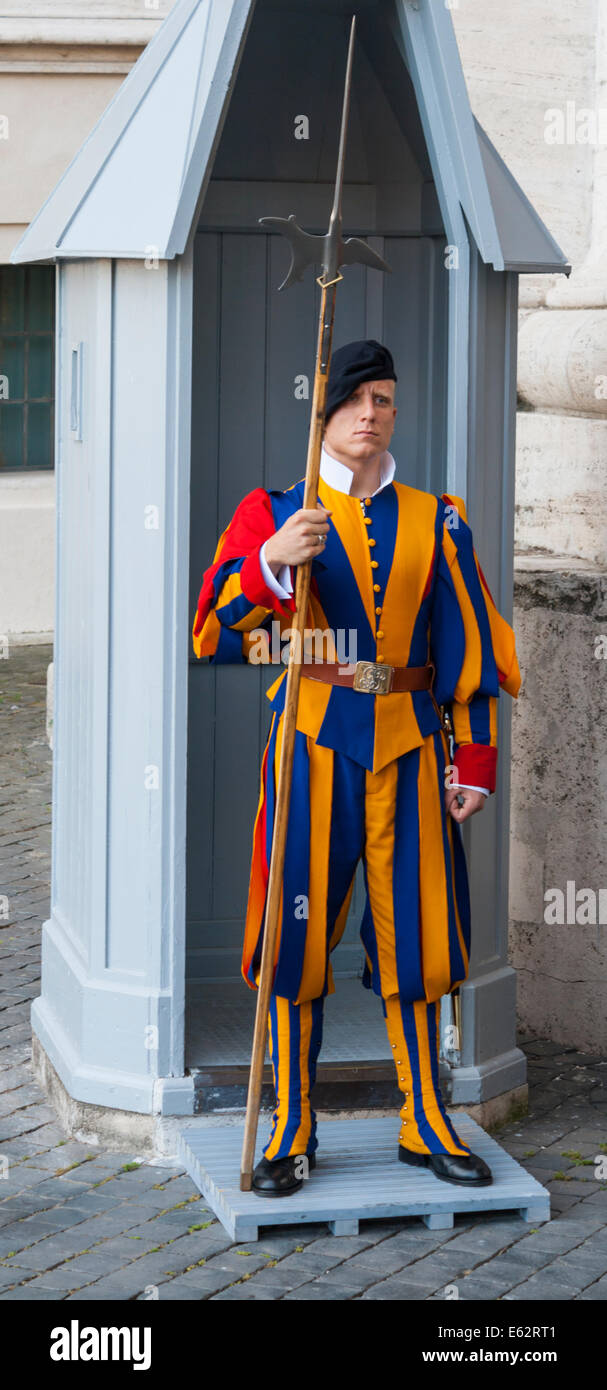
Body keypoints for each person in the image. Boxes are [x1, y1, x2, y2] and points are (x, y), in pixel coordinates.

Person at [192, 339, 521, 1198]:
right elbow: (217, 634)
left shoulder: (435, 518)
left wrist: (475, 758)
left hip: (412, 749)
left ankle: (424, 1121)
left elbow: (470, 648)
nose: (370, 412)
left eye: (383, 398)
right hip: (310, 742)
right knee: (294, 941)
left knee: (417, 937)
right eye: (353, 399)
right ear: (323, 413)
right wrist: (270, 566)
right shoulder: (274, 513)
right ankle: (291, 1131)